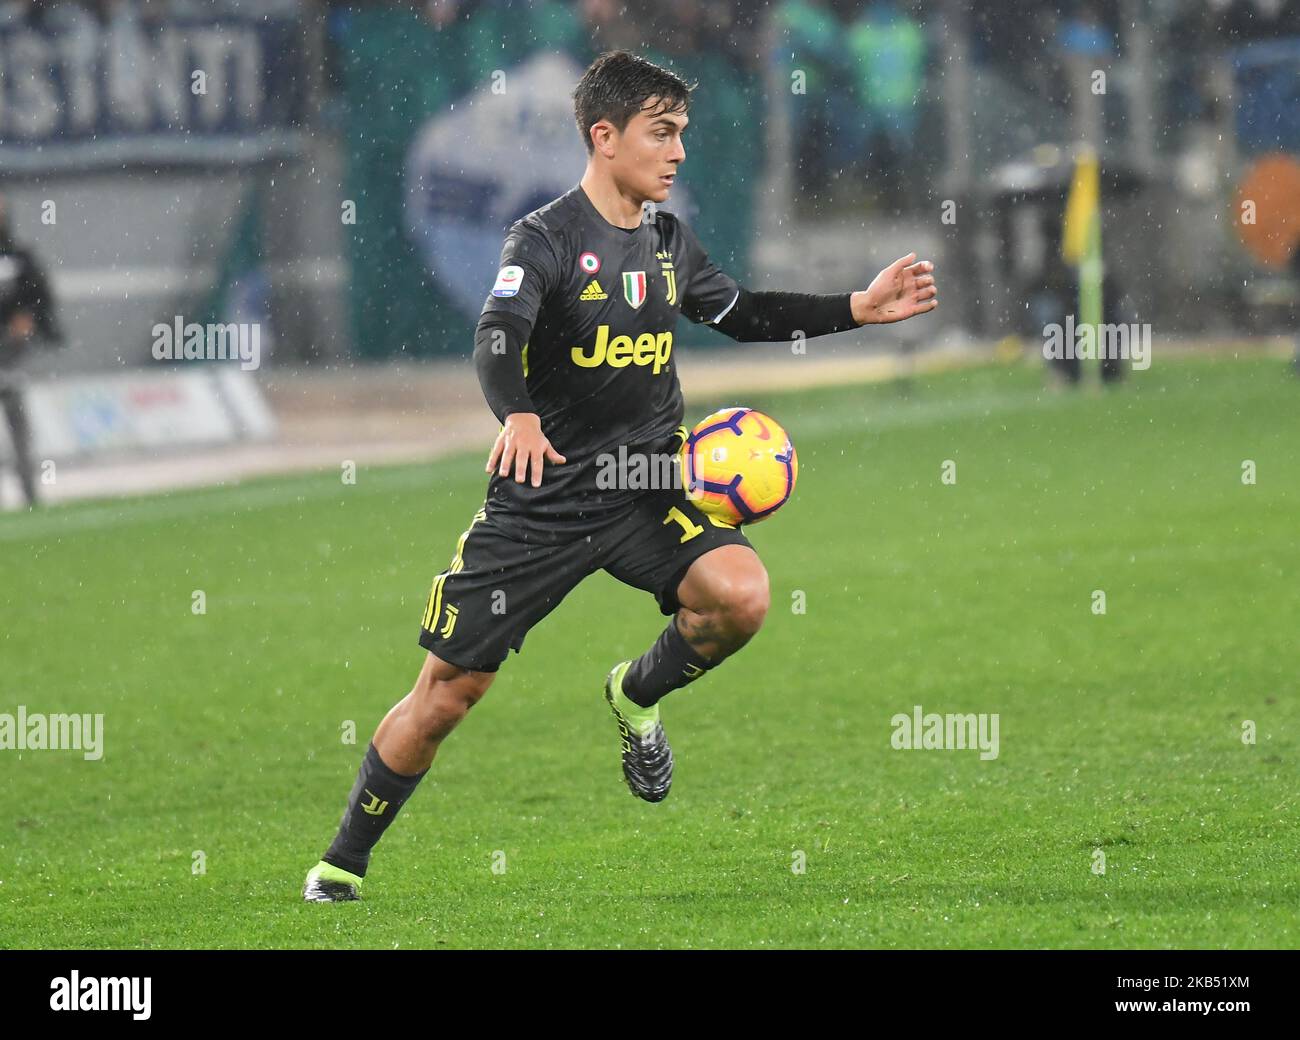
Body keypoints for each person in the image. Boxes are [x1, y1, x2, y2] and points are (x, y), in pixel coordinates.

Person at [303, 50, 937, 902]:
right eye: (661, 134)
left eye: (682, 135)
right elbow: (497, 334)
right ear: (604, 138)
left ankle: (636, 695)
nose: (678, 153)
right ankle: (341, 862)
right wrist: (518, 414)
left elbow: (743, 313)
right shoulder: (545, 238)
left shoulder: (669, 240)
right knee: (449, 695)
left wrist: (853, 309)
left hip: (649, 483)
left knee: (740, 595)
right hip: (543, 501)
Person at [0, 194, 60, 509]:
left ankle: (28, 492)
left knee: (19, 428)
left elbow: (41, 296)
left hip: (11, 356)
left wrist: (30, 319)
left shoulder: (19, 257)